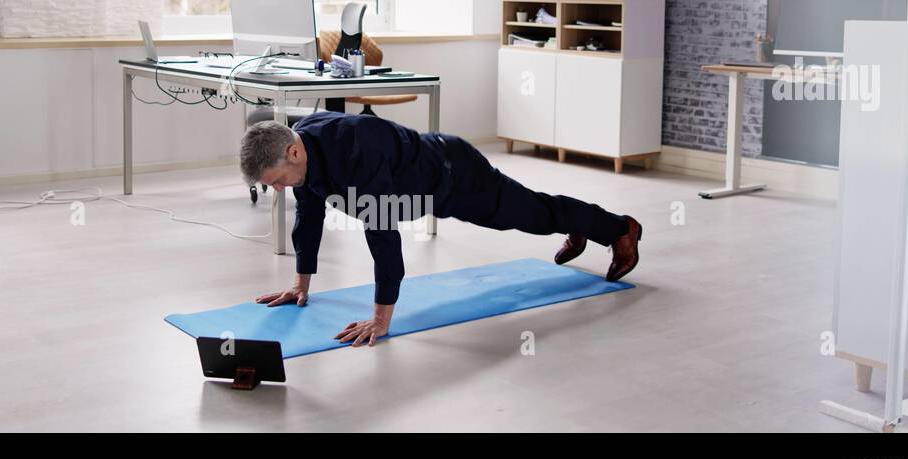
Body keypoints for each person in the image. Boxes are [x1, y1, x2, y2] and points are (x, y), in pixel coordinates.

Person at [241, 112, 642, 347]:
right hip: (424, 186)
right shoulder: (302, 151)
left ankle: (621, 229)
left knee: (530, 216)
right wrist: (301, 284)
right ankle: (578, 223)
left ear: (293, 152)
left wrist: (381, 318)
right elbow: (307, 218)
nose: (277, 189)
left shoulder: (356, 153)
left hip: (457, 175)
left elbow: (382, 234)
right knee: (535, 215)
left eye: (276, 180)